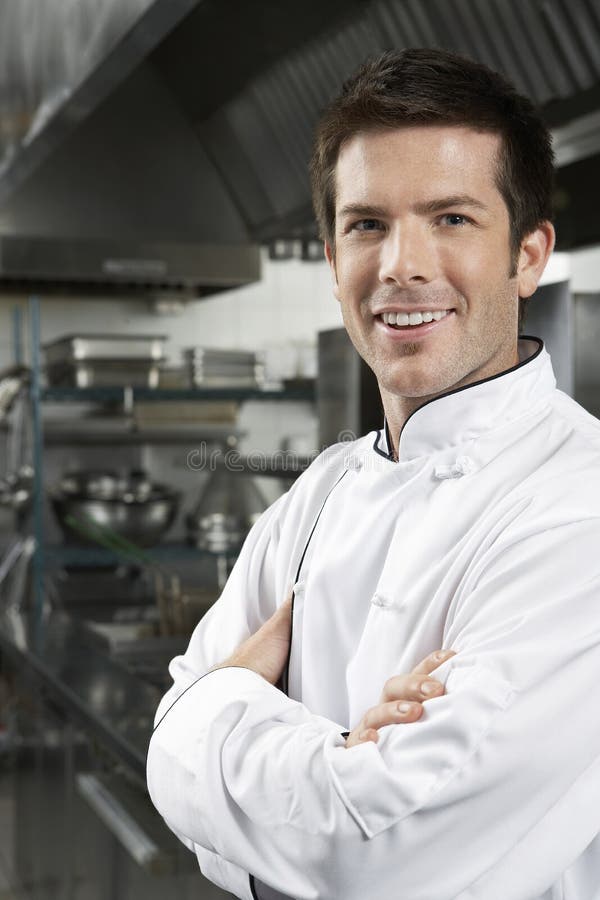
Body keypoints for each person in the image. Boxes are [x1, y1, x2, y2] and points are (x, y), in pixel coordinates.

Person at [147, 48, 600, 900]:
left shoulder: (579, 511)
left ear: (530, 255)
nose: (401, 265)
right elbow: (170, 759)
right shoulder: (318, 494)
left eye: (452, 219)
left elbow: (376, 859)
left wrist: (216, 712)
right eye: (367, 225)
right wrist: (333, 768)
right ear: (331, 259)